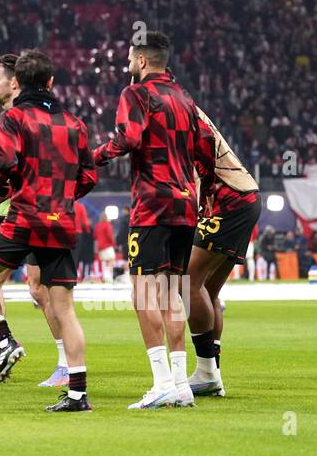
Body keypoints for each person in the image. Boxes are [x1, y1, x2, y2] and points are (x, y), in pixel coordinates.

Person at [0, 49, 97, 412]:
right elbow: (90, 175)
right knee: (65, 309)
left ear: (18, 82)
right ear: (51, 82)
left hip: (25, 218)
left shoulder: (14, 118)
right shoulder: (74, 123)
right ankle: (79, 395)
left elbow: (5, 162)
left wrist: (1, 191)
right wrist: (64, 198)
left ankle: (4, 340)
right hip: (61, 221)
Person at [92, 31, 215, 410]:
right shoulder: (184, 98)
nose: (128, 62)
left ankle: (161, 381)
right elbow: (206, 148)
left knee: (144, 292)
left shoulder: (136, 94)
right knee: (172, 293)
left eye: (131, 56)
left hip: (152, 205)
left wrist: (95, 156)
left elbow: (129, 138)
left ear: (142, 61)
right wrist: (203, 187)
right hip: (184, 203)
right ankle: (180, 384)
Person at [185, 106, 261, 399]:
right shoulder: (188, 111)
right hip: (243, 197)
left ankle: (206, 373)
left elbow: (199, 171)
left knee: (186, 282)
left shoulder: (180, 116)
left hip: (227, 201)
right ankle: (211, 373)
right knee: (206, 289)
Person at [94, 209, 116, 283]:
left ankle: (105, 277)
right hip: (107, 246)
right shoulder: (107, 225)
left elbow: (95, 236)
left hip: (100, 247)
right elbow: (110, 236)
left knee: (105, 262)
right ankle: (107, 276)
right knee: (111, 260)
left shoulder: (97, 226)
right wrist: (114, 243)